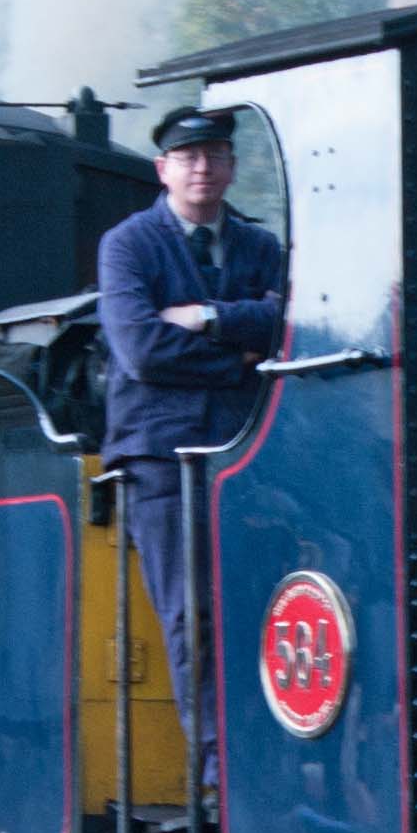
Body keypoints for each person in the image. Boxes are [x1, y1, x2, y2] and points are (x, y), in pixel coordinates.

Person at [95, 107, 288, 752]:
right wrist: (238, 356)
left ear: (232, 168)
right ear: (163, 170)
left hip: (252, 443)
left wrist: (206, 316)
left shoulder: (262, 246)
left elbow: (286, 321)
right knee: (191, 612)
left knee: (268, 600)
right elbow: (142, 350)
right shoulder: (128, 245)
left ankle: (272, 748)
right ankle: (215, 767)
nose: (202, 167)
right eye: (188, 158)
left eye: (214, 156)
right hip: (162, 453)